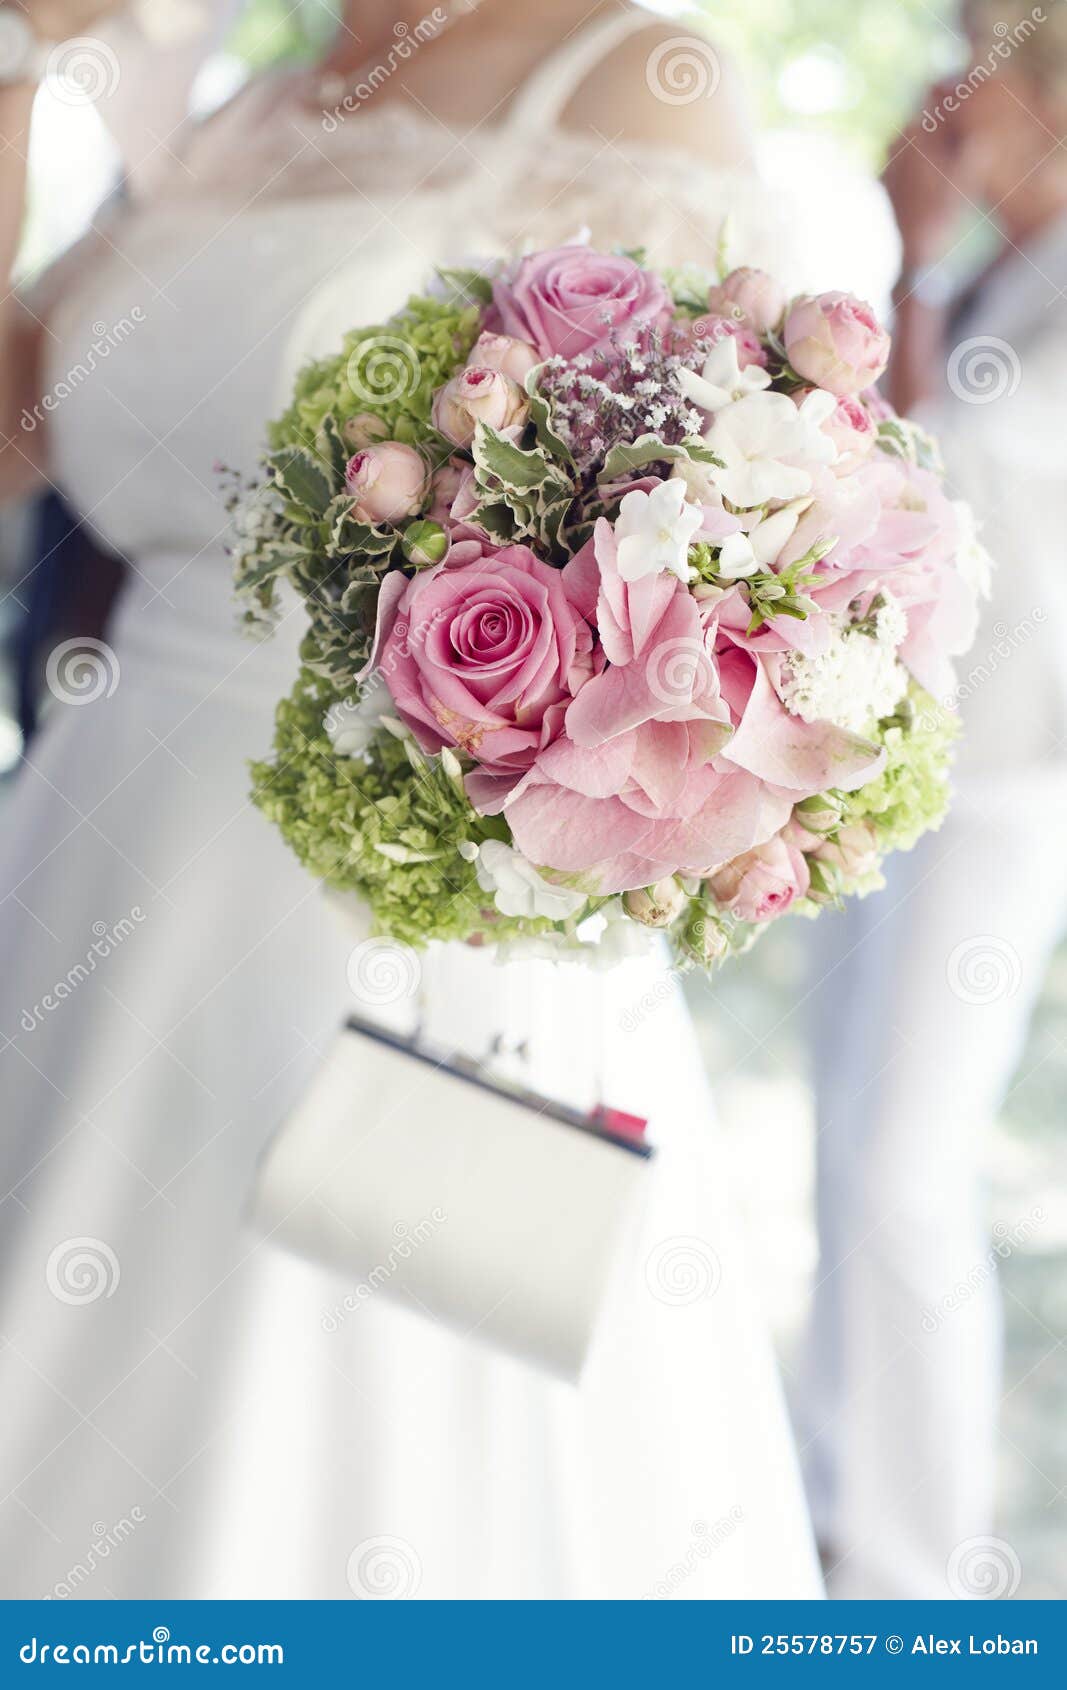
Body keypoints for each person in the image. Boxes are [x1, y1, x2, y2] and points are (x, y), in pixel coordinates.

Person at [0, 0, 824, 1599]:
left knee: (357, 1454)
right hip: (88, 857)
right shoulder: (252, 109)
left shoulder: (635, 83)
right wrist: (20, 64)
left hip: (417, 922)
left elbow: (740, 556)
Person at [796, 0, 1067, 1600]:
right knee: (849, 1135)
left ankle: (916, 1570)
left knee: (907, 1154)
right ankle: (843, 1488)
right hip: (919, 757)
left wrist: (906, 255)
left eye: (981, 50)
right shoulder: (1001, 273)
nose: (942, 84)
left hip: (1017, 774)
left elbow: (935, 458)